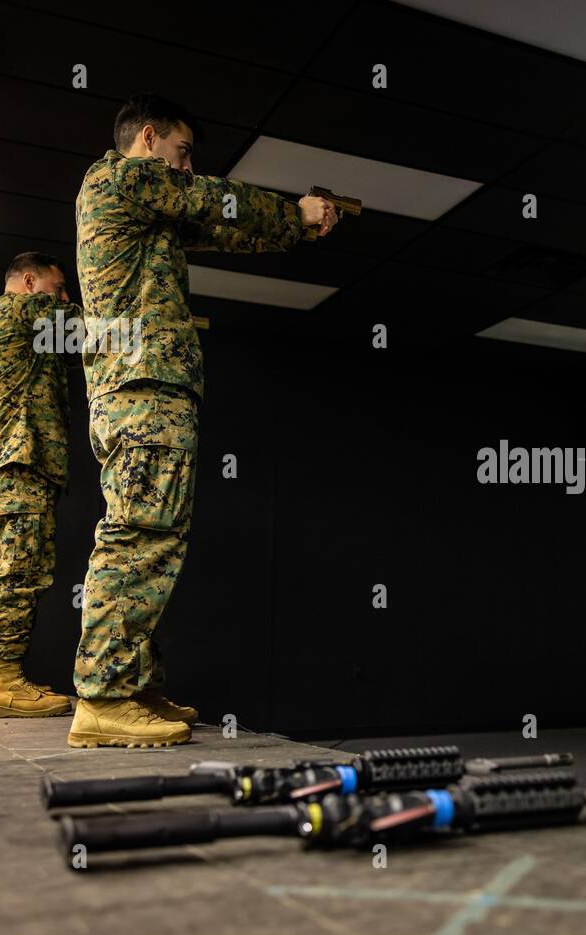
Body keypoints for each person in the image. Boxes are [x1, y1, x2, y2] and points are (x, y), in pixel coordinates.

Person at [68, 93, 339, 748]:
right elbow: (217, 203)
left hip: (146, 390)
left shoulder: (148, 212)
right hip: (141, 391)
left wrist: (294, 229)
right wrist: (296, 212)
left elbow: (221, 226)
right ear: (150, 138)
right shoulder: (118, 177)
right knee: (140, 534)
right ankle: (103, 699)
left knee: (157, 538)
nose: (188, 168)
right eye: (182, 152)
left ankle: (132, 685)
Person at [0, 252, 81, 718]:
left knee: (26, 569)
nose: (64, 297)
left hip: (24, 463)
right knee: (14, 570)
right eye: (58, 288)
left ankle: (7, 676)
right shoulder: (11, 309)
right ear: (29, 281)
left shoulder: (37, 333)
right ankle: (1, 682)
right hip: (14, 461)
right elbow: (88, 323)